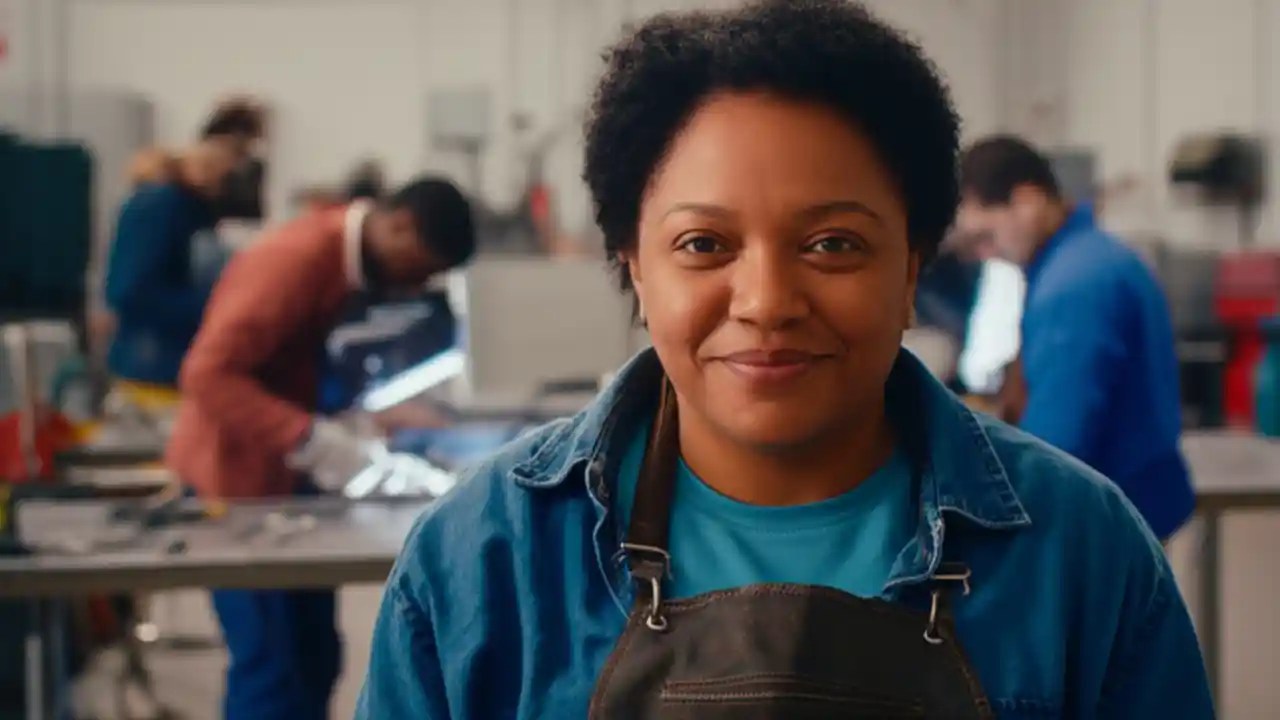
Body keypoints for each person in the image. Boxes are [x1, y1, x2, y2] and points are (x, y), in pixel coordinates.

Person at [357, 2, 1213, 718]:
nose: (766, 300)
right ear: (635, 269)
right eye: (703, 243)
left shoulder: (1084, 557)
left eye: (833, 243)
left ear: (912, 265)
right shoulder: (481, 566)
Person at [166, 176, 475, 720]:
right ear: (399, 226)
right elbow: (207, 374)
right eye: (418, 269)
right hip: (234, 483)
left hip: (280, 481)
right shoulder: (295, 258)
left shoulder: (341, 262)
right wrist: (311, 439)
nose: (411, 287)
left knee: (314, 656)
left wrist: (356, 419)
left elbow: (290, 363)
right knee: (273, 669)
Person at [955, 136, 1196, 542]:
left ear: (1027, 202)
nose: (985, 253)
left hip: (1104, 522)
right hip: (1134, 500)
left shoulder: (1074, 285)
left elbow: (1057, 446)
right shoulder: (1097, 256)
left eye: (987, 236)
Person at [104, 139, 238, 388]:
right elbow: (132, 292)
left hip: (158, 359)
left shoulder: (184, 210)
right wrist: (219, 306)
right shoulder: (164, 206)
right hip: (156, 363)